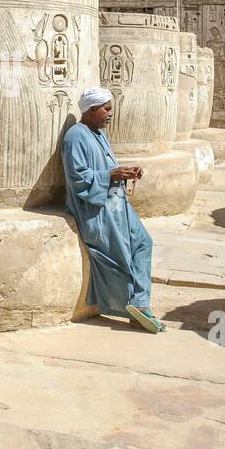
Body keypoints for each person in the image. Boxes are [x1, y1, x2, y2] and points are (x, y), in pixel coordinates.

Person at [61, 87, 166, 333]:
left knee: (143, 243)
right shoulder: (76, 136)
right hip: (96, 210)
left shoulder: (98, 134)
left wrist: (126, 171)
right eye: (106, 109)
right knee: (119, 258)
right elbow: (78, 178)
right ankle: (135, 306)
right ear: (90, 110)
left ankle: (138, 303)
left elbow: (106, 168)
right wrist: (110, 174)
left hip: (118, 206)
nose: (110, 114)